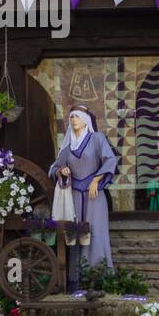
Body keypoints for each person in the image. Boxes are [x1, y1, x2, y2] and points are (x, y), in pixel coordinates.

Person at [47, 105, 118, 280]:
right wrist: (61, 170)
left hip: (94, 195)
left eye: (76, 117)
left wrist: (96, 180)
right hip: (75, 196)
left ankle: (100, 276)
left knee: (96, 232)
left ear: (85, 120)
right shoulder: (68, 145)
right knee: (76, 234)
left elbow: (110, 159)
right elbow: (53, 168)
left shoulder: (97, 139)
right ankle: (76, 279)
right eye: (71, 117)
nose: (73, 120)